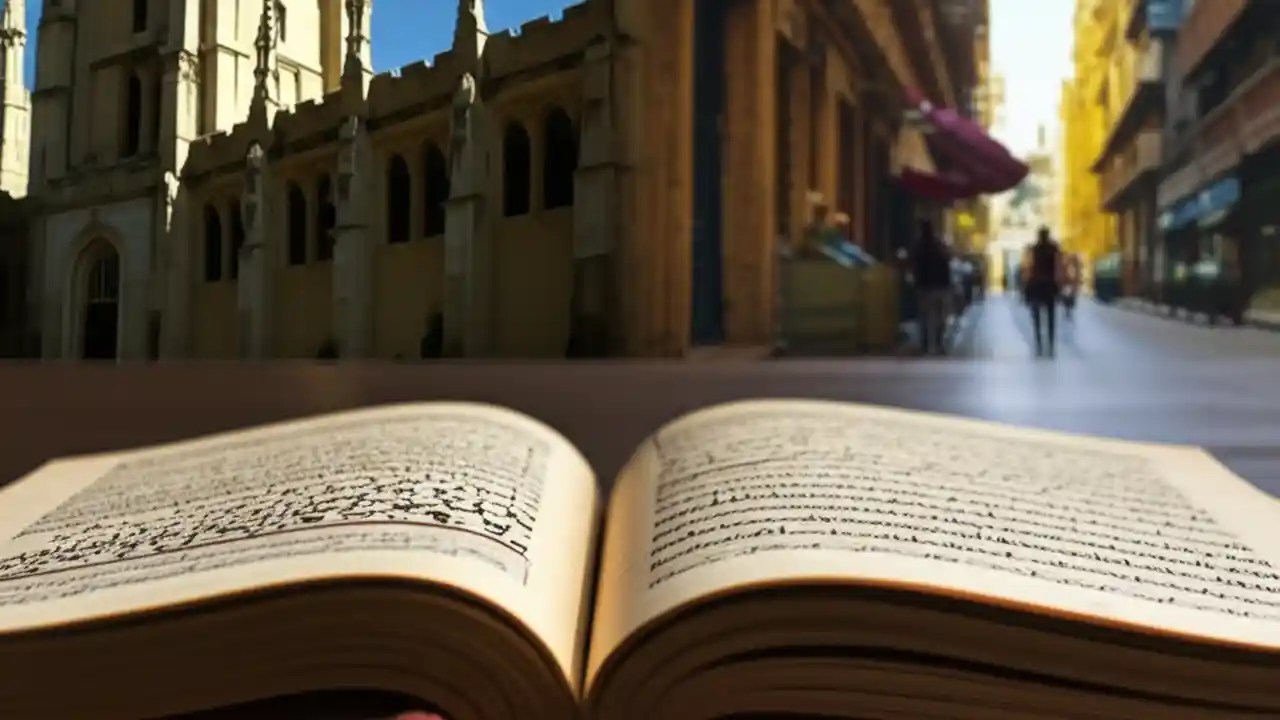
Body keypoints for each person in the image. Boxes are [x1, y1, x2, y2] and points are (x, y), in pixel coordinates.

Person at [912, 219, 953, 356]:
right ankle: (938, 343)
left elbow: (915, 265)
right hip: (941, 285)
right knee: (940, 316)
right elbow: (948, 259)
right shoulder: (940, 245)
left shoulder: (919, 246)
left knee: (925, 316)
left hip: (925, 286)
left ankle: (926, 345)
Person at [1025, 226, 1064, 357]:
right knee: (1051, 315)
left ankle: (1039, 342)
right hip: (1049, 284)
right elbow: (1059, 266)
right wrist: (1059, 283)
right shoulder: (1054, 248)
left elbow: (1030, 267)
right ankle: (1051, 343)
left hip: (1037, 284)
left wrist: (1027, 284)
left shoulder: (1034, 248)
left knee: (1036, 315)